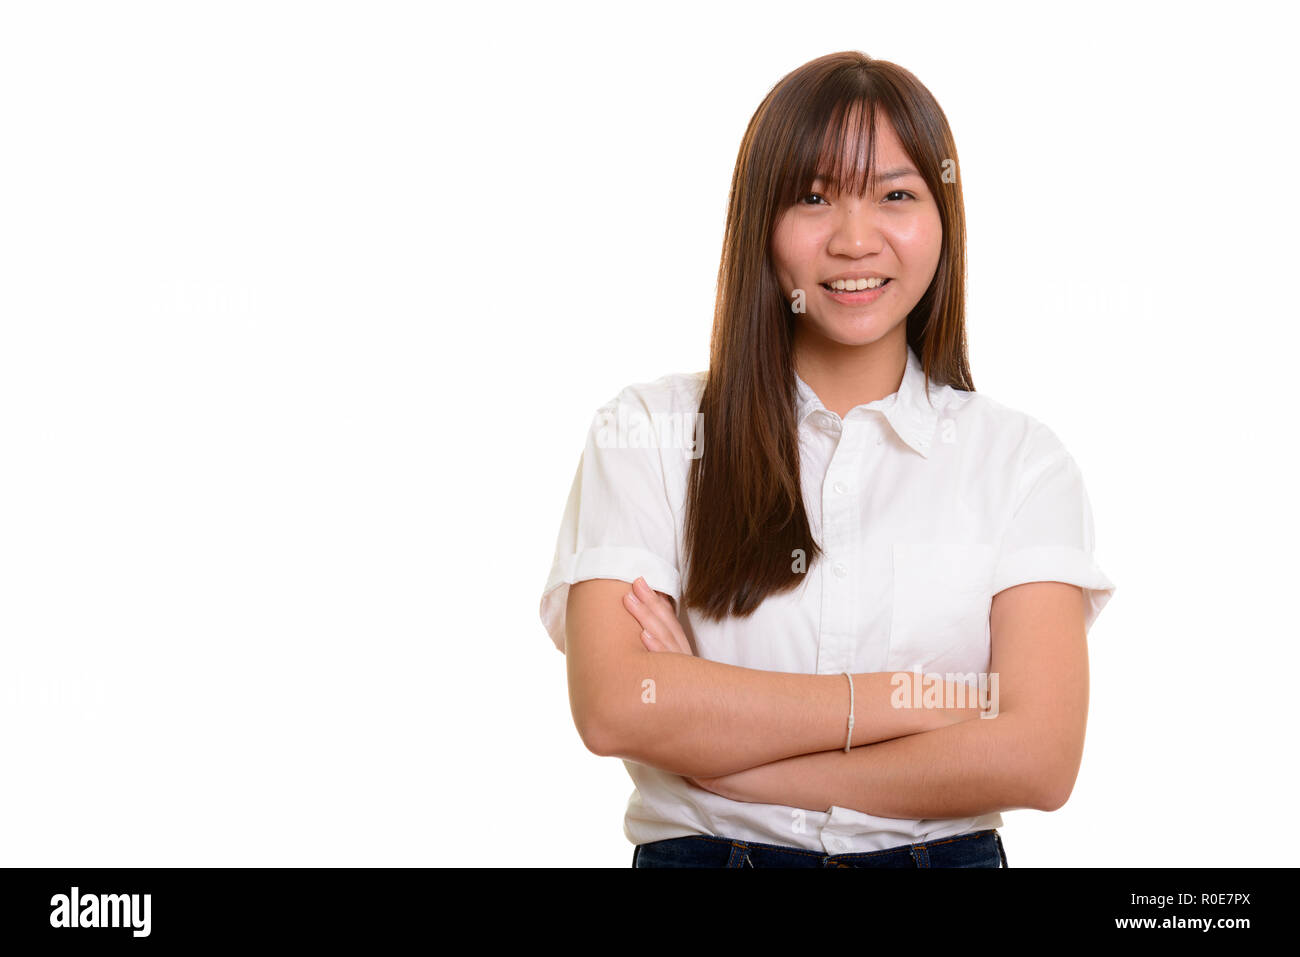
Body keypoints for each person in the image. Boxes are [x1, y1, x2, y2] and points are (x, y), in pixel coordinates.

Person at [538, 51, 1115, 868]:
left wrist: (727, 756)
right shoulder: (652, 430)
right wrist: (905, 704)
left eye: (895, 195)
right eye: (812, 196)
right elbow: (617, 706)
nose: (853, 238)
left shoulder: (1021, 462)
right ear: (758, 223)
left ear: (942, 220)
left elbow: (1039, 756)